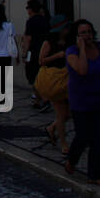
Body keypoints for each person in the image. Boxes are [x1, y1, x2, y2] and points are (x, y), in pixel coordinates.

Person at [65, 19, 100, 185]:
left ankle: (95, 175)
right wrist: (81, 48)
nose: (87, 35)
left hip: (99, 99)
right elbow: (82, 70)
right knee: (83, 136)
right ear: (76, 36)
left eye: (89, 31)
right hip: (80, 100)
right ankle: (72, 160)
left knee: (98, 138)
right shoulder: (72, 51)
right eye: (83, 33)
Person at [36, 16, 73, 154]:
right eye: (66, 28)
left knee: (68, 114)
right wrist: (57, 56)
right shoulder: (49, 42)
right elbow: (41, 61)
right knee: (61, 115)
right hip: (54, 80)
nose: (68, 30)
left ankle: (51, 129)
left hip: (67, 79)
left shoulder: (70, 41)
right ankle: (64, 144)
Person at [22, 0, 50, 107]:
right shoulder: (45, 20)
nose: (27, 10)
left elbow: (28, 39)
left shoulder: (31, 21)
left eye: (28, 8)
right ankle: (37, 100)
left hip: (32, 52)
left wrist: (24, 54)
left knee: (32, 76)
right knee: (39, 74)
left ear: (31, 9)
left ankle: (44, 99)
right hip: (44, 51)